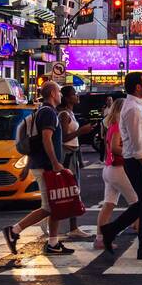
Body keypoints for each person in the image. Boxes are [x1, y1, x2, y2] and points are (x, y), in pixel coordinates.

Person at [97, 72, 142, 260]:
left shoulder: (136, 105)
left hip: (140, 160)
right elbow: (136, 141)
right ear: (137, 86)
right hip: (138, 161)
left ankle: (113, 231)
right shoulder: (133, 109)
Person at [3, 81, 73, 256]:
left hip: (42, 164)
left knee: (54, 205)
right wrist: (55, 162)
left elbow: (35, 143)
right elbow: (46, 139)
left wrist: (28, 166)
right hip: (46, 166)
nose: (60, 95)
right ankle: (14, 231)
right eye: (58, 91)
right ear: (52, 94)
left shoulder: (42, 111)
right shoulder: (48, 113)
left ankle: (53, 243)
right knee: (49, 207)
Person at [93, 98, 137, 248]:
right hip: (118, 168)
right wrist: (130, 152)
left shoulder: (111, 125)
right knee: (138, 203)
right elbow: (114, 147)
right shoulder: (118, 126)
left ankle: (99, 239)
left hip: (109, 168)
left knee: (109, 204)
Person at [54, 84, 95, 241]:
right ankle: (66, 225)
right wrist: (81, 131)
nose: (77, 96)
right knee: (69, 190)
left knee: (73, 190)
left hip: (73, 154)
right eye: (74, 94)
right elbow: (63, 138)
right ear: (66, 98)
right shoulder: (64, 114)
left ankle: (73, 227)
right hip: (67, 156)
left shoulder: (70, 112)